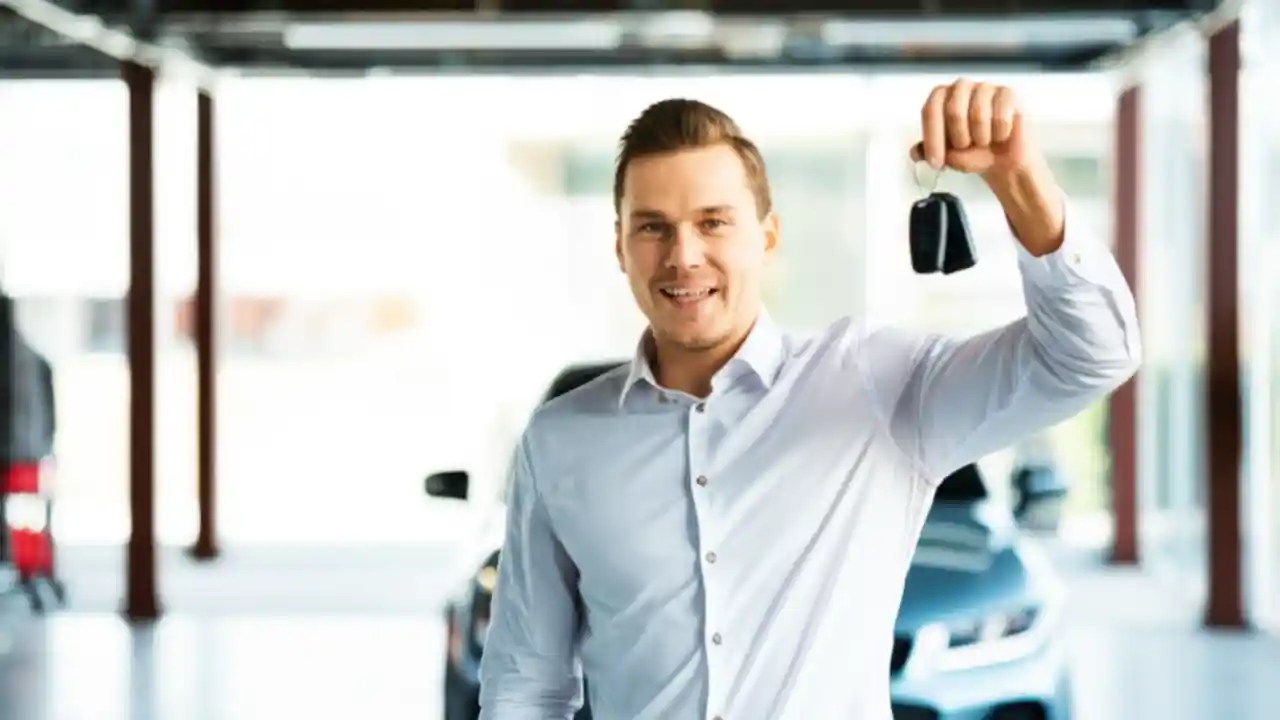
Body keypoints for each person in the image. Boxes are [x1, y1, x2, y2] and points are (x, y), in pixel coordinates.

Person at [478, 78, 1141, 719]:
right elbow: (524, 686)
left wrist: (1018, 180)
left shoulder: (875, 383)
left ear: (767, 236)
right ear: (620, 247)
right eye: (653, 228)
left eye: (713, 222)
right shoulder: (560, 439)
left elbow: (1093, 355)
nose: (683, 256)